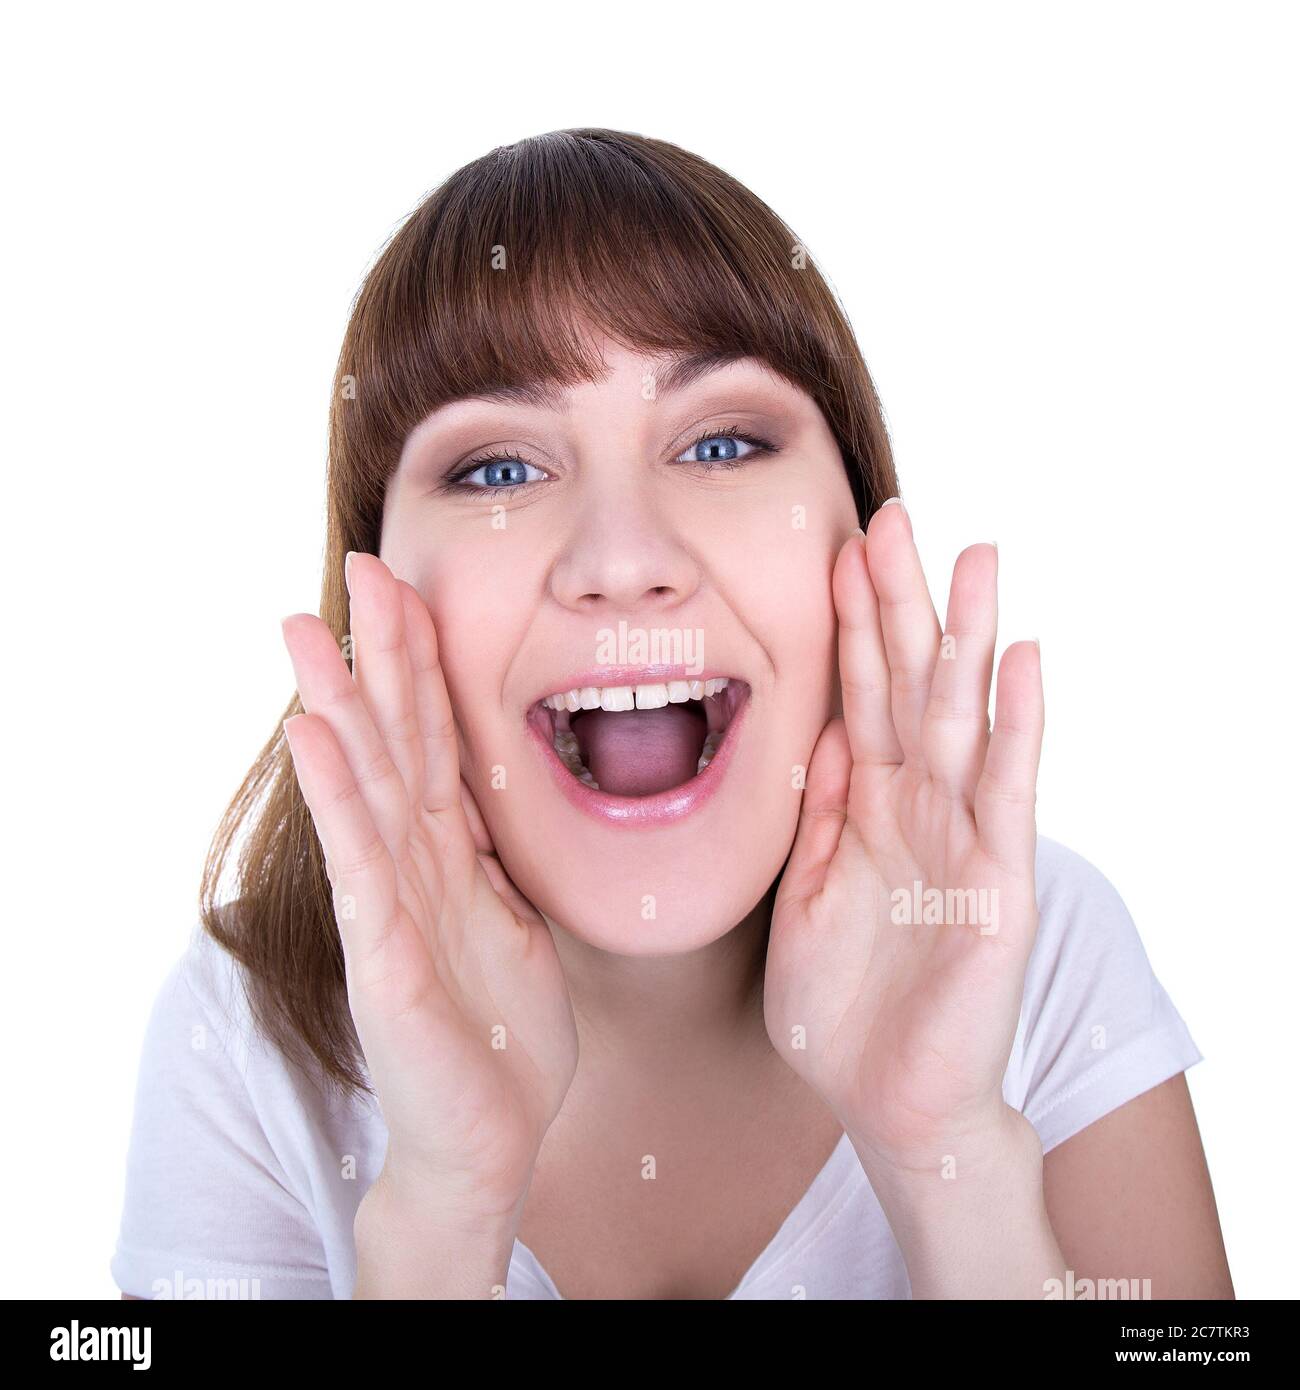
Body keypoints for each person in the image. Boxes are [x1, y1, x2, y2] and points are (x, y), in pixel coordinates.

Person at [113, 128, 1232, 1300]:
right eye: (497, 469)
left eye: (721, 441)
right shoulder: (244, 1037)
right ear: (375, 599)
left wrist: (945, 1154)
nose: (624, 557)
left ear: (860, 543)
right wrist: (443, 1209)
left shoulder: (1033, 948)